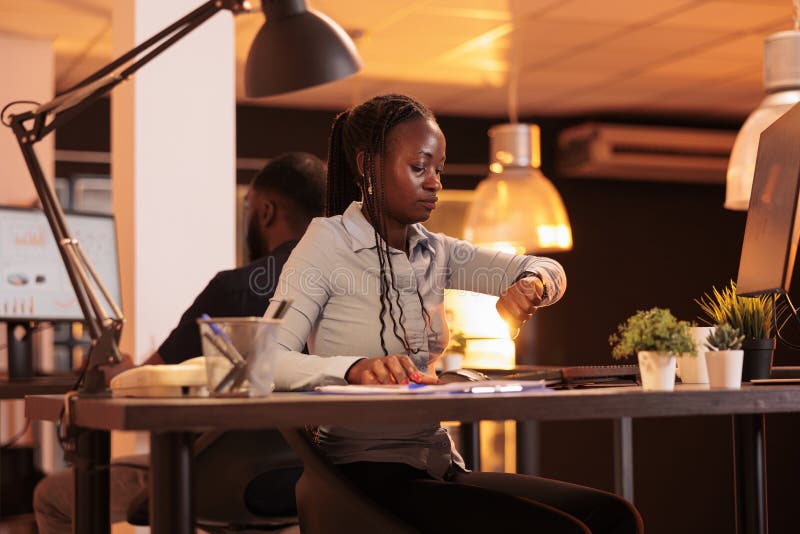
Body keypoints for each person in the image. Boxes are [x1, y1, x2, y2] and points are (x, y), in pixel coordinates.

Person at [265, 94, 643, 533]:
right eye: (419, 167)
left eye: (439, 170)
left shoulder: (435, 250)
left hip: (437, 463)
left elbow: (548, 268)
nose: (435, 183)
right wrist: (354, 369)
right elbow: (268, 358)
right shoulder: (327, 243)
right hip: (365, 476)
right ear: (368, 166)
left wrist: (532, 286)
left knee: (614, 517)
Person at [33, 152, 326, 534]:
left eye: (249, 207)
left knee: (51, 496)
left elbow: (145, 380)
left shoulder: (233, 290)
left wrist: (114, 370)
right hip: (315, 484)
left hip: (218, 482)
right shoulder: (355, 291)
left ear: (267, 211)